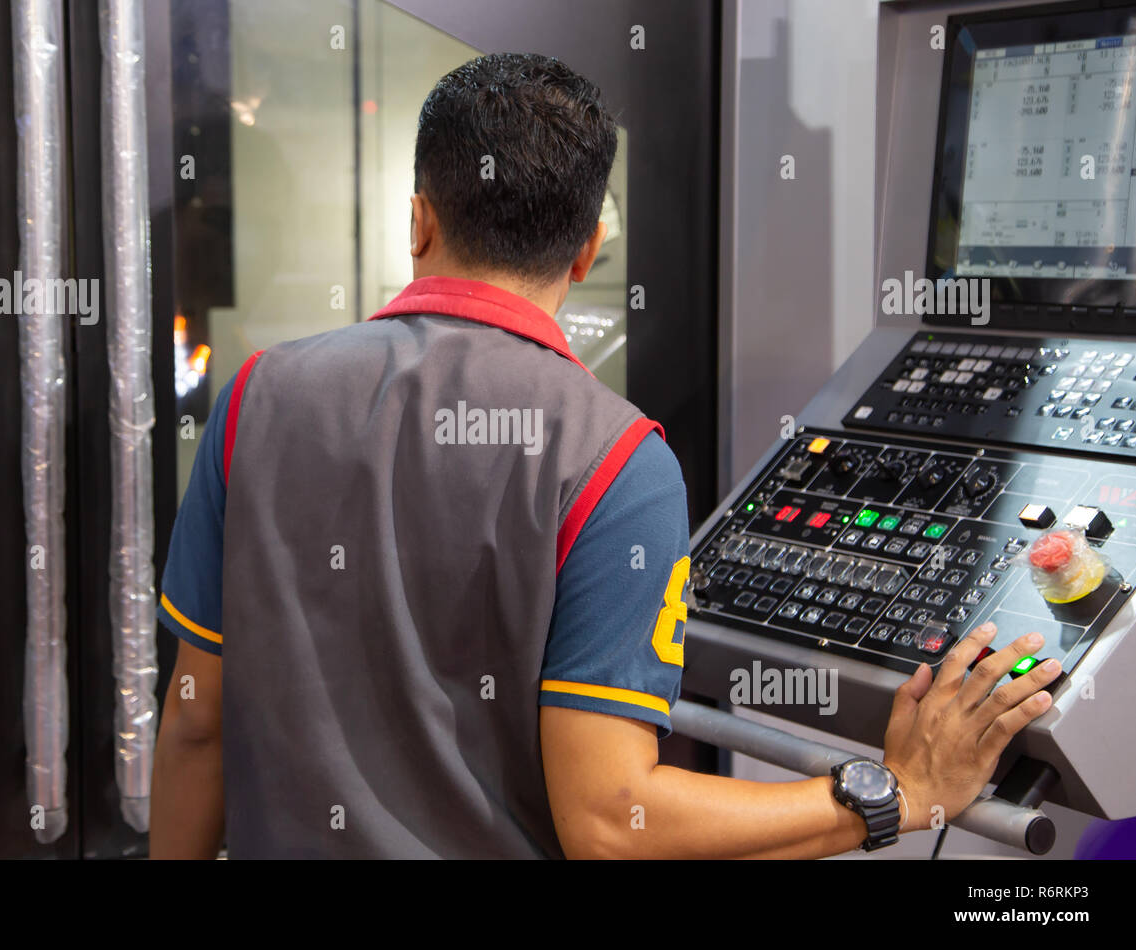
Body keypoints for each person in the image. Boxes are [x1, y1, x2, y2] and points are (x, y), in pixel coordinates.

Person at [149, 52, 1058, 859]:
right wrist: (898, 795)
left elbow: (195, 725)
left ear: (418, 221)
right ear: (587, 250)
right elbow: (610, 820)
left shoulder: (255, 400)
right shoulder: (616, 462)